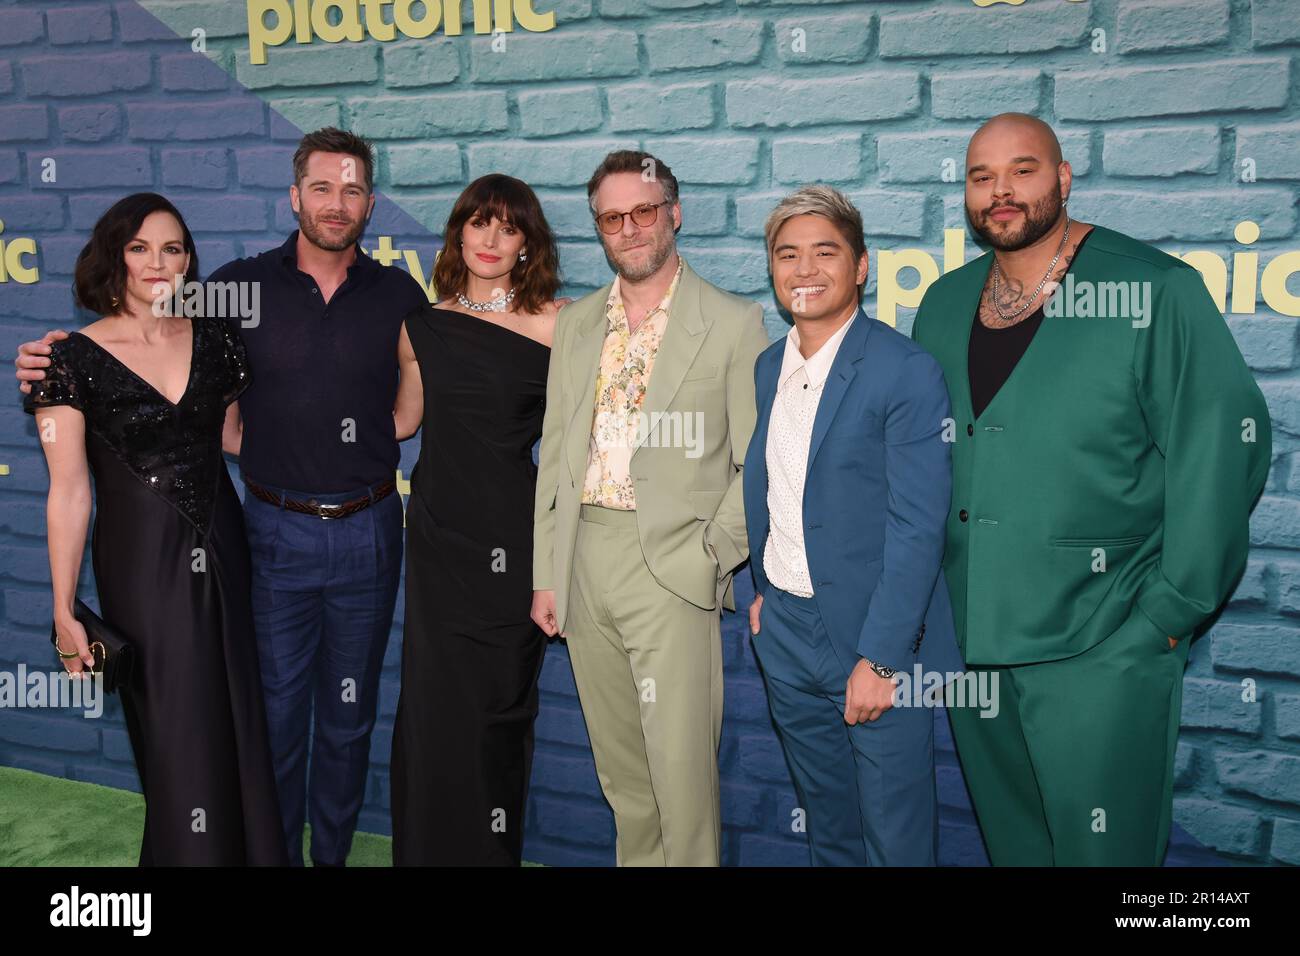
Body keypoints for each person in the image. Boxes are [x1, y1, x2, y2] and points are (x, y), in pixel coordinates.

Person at [18, 128, 429, 867]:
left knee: (342, 718)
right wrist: (45, 363)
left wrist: (366, 441)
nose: (338, 204)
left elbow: (404, 406)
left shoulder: (396, 292)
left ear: (370, 204)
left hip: (353, 532)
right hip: (260, 534)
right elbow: (101, 455)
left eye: (354, 190)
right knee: (257, 720)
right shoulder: (239, 289)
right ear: (295, 195)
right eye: (323, 188)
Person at [911, 113, 1272, 865]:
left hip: (1105, 643)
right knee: (1018, 851)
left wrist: (1167, 617)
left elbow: (1224, 449)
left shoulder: (1154, 289)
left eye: (1024, 170)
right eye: (981, 177)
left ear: (1064, 178)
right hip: (975, 645)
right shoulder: (942, 305)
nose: (1000, 191)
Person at [23, 192, 287, 865]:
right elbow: (70, 490)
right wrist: (62, 610)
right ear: (114, 255)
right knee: (174, 728)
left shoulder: (217, 334)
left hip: (224, 544)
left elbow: (231, 439)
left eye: (172, 248)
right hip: (141, 562)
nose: (157, 262)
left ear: (188, 259)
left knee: (235, 714)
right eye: (139, 247)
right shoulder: (68, 360)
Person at [531, 150, 770, 866]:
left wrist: (708, 556)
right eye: (612, 218)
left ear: (673, 213)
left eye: (642, 211)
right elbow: (555, 452)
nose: (629, 229)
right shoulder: (576, 324)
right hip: (583, 560)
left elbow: (754, 465)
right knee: (624, 776)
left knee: (681, 774)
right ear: (599, 228)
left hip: (671, 566)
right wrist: (549, 570)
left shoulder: (732, 322)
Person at [743, 185, 964, 866]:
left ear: (861, 266)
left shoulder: (905, 371)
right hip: (784, 630)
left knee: (896, 838)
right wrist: (765, 589)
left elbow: (917, 528)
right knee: (829, 827)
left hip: (874, 641)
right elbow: (780, 487)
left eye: (824, 252)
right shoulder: (768, 365)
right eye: (788, 254)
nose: (804, 270)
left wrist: (882, 657)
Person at [390, 174, 564, 866]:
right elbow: (402, 420)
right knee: (434, 716)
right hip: (437, 538)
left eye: (509, 226)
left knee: (497, 713)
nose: (491, 238)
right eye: (478, 221)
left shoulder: (561, 323)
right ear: (459, 231)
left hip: (514, 541)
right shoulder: (422, 327)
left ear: (527, 243)